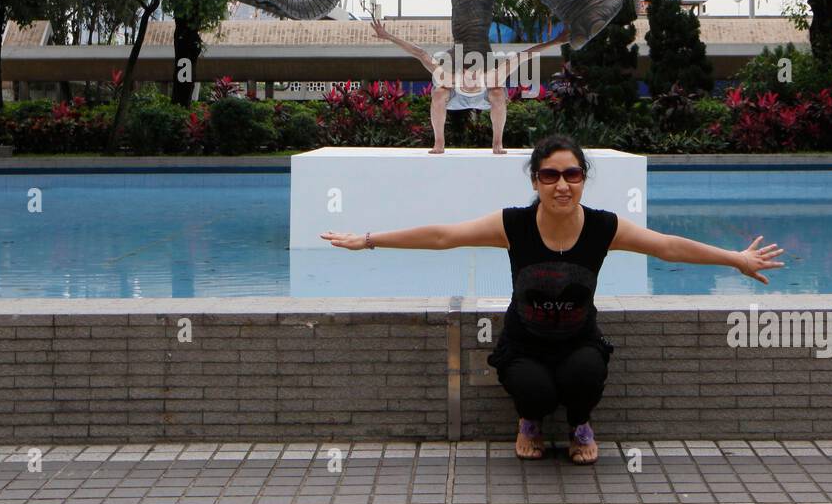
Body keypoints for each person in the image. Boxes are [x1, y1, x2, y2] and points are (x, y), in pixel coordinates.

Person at [320, 134, 785, 464]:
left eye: (572, 174)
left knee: (585, 374)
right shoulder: (514, 224)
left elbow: (666, 246)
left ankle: (581, 425)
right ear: (536, 181)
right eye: (550, 175)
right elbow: (444, 235)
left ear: (583, 179)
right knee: (536, 392)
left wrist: (735, 259)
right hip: (524, 344)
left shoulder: (604, 227)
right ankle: (530, 422)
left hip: (579, 340)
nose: (561, 184)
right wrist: (369, 238)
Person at [368, 13, 568, 154]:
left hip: (483, 99)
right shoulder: (450, 78)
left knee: (498, 92)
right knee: (439, 93)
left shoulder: (491, 77)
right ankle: (439, 142)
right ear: (460, 72)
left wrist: (555, 42)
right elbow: (420, 54)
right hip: (455, 99)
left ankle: (497, 142)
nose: (471, 78)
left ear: (481, 71)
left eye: (475, 73)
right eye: (467, 74)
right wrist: (388, 36)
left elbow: (526, 55)